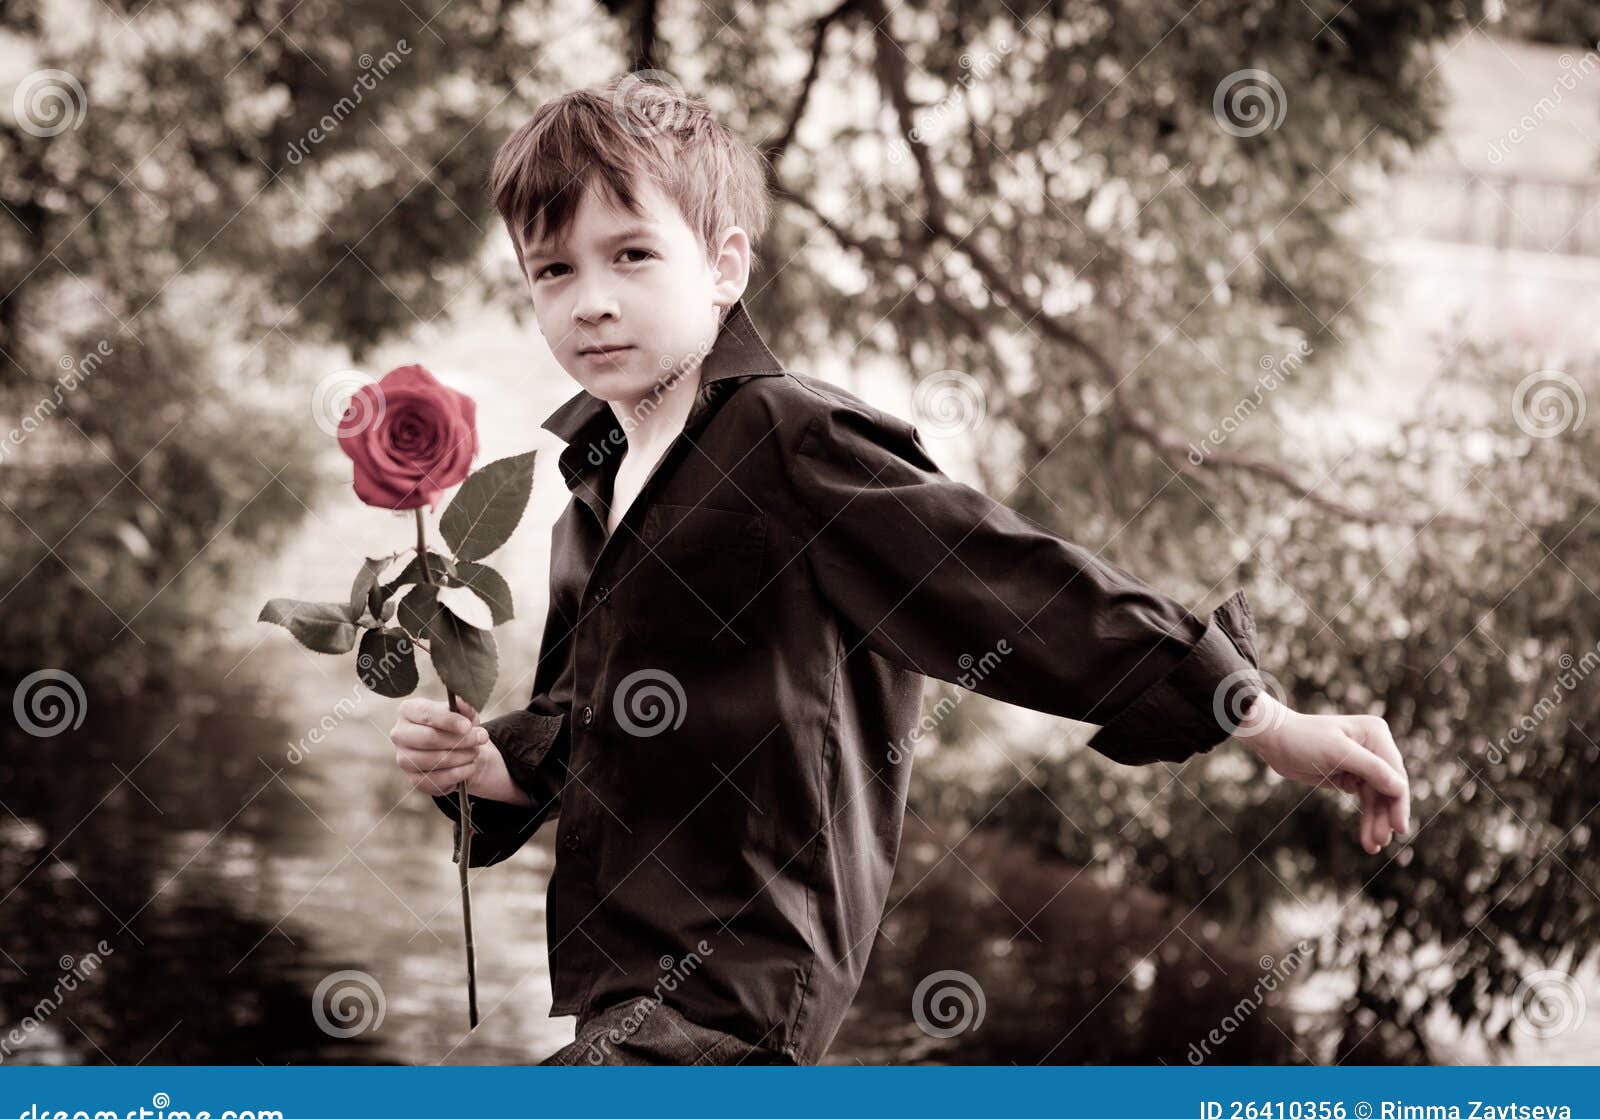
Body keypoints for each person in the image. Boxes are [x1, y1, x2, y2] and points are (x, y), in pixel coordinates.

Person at [387, 77, 1410, 1066]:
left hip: (738, 990)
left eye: (632, 254)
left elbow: (1011, 584)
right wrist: (488, 769)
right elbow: (579, 731)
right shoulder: (591, 493)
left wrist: (1260, 718)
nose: (592, 302)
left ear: (724, 265)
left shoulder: (792, 440)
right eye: (553, 270)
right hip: (625, 994)